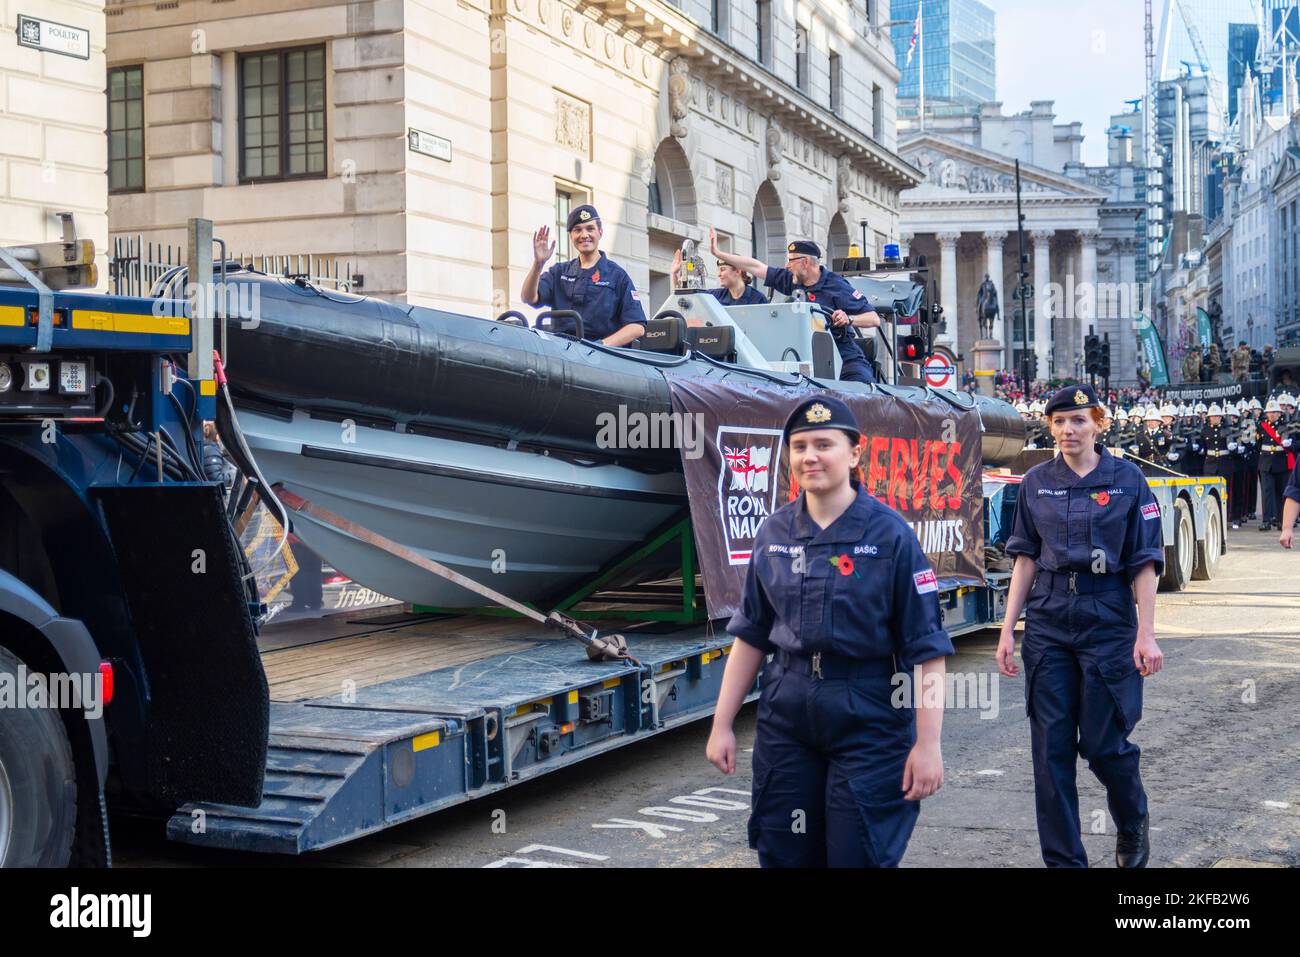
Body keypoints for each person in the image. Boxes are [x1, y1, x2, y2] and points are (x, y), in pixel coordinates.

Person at [707, 395, 953, 867]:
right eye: (799, 446)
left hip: (869, 715)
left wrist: (928, 745)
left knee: (857, 852)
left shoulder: (890, 536)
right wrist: (722, 724)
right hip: (788, 715)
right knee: (785, 850)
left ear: (854, 454)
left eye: (824, 444)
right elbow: (752, 635)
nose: (809, 456)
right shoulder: (774, 533)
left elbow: (927, 650)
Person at [997, 384, 1164, 868]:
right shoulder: (1035, 482)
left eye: (1078, 421)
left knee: (1102, 742)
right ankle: (1064, 861)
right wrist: (1009, 629)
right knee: (1050, 753)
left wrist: (1146, 632)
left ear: (1098, 424)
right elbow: (1025, 559)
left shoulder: (1128, 480)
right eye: (1059, 422)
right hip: (1048, 621)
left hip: (1108, 618)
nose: (1068, 430)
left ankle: (1132, 821)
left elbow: (1145, 562)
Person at [710, 231, 882, 384]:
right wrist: (719, 253)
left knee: (862, 391)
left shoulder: (836, 285)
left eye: (791, 261)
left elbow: (873, 319)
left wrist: (849, 319)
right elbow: (755, 267)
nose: (787, 265)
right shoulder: (790, 280)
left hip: (843, 356)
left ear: (805, 262)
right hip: (807, 356)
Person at [521, 204, 646, 346]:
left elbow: (637, 327)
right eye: (577, 230)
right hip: (560, 352)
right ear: (571, 236)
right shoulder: (560, 272)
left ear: (600, 232)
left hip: (601, 356)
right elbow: (528, 298)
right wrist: (538, 264)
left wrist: (600, 346)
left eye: (590, 229)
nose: (584, 235)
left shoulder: (617, 276)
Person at [670, 247, 768, 306]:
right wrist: (675, 274)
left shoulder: (758, 299)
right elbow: (686, 298)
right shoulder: (715, 296)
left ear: (737, 271)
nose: (719, 274)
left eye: (723, 270)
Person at [1258, 399, 1293, 532]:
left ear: (1279, 413)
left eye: (1274, 412)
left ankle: (1281, 520)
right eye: (1269, 412)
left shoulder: (1286, 426)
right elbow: (1258, 444)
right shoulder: (1261, 426)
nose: (1271, 415)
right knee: (1267, 492)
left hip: (1281, 462)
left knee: (1281, 492)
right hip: (1266, 463)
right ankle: (1266, 520)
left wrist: (1290, 443)